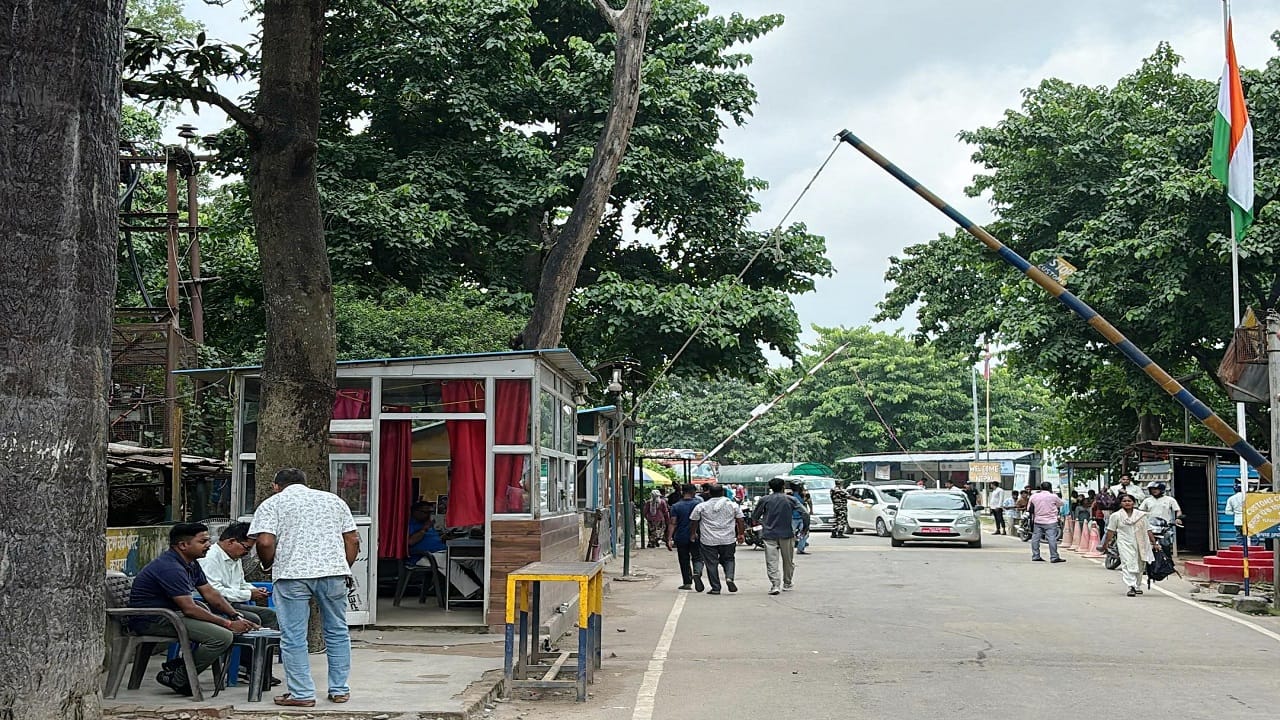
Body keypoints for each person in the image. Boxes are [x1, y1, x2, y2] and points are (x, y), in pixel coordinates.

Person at [251, 468, 361, 708]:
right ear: (305, 482)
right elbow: (352, 539)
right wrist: (343, 566)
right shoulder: (333, 500)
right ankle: (340, 690)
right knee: (337, 631)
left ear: (276, 486)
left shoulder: (273, 503)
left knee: (293, 636)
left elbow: (265, 541)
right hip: (333, 574)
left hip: (292, 575)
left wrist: (268, 563)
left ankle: (302, 694)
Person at [130, 523, 258, 696]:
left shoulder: (191, 563)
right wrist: (227, 624)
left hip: (172, 615)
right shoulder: (170, 567)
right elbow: (189, 608)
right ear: (183, 545)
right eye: (203, 541)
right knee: (221, 637)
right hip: (152, 619)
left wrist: (235, 616)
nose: (209, 545)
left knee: (230, 628)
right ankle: (180, 678)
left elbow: (210, 593)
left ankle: (177, 667)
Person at [198, 521, 278, 629]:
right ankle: (251, 645)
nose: (247, 553)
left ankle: (266, 644)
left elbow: (240, 583)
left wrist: (255, 590)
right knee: (253, 618)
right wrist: (249, 594)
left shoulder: (235, 557)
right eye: (246, 548)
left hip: (232, 603)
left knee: (269, 614)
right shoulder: (209, 558)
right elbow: (215, 592)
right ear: (231, 542)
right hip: (212, 606)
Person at [407, 501, 481, 598]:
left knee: (474, 560)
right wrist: (424, 529)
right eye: (425, 512)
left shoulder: (426, 522)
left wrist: (444, 537)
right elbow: (410, 542)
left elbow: (432, 539)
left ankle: (490, 587)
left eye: (430, 513)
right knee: (446, 561)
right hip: (422, 556)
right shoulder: (411, 524)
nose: (428, 515)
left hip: (441, 550)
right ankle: (473, 593)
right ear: (415, 512)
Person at [752, 477, 808, 594]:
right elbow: (805, 513)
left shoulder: (764, 500)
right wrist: (805, 528)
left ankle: (775, 584)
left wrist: (763, 522)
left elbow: (755, 516)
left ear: (770, 487)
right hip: (786, 533)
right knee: (788, 560)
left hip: (769, 534)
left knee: (771, 561)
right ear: (783, 487)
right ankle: (787, 583)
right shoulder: (790, 499)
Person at [690, 485, 745, 594]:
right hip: (728, 539)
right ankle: (729, 577)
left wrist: (693, 533)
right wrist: (741, 534)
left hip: (708, 540)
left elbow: (694, 521)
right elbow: (740, 520)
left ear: (709, 493)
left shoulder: (702, 506)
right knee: (729, 559)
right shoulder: (732, 505)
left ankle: (716, 588)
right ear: (723, 493)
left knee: (711, 563)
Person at [1102, 494, 1157, 596]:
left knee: (1140, 564)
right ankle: (1131, 586)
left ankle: (1137, 585)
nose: (1127, 503)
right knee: (1128, 563)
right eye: (1124, 501)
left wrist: (1154, 543)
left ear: (1133, 502)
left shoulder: (1141, 515)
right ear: (1121, 503)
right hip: (1124, 543)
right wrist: (1106, 544)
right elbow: (1110, 531)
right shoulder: (1116, 516)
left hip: (1141, 543)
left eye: (1129, 501)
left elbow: (1148, 530)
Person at [667, 484, 705, 592]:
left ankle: (687, 582)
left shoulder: (676, 506)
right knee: (697, 557)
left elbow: (672, 523)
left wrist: (669, 539)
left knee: (684, 560)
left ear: (683, 492)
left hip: (681, 536)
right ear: (693, 492)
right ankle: (697, 572)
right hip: (697, 535)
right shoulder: (699, 505)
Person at [1028, 482, 1065, 563]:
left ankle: (1036, 555)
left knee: (1035, 538)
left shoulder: (1034, 496)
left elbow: (1029, 508)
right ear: (1050, 488)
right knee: (1051, 538)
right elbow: (1061, 503)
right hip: (1051, 521)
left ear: (1041, 488)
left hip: (1038, 520)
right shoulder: (1053, 496)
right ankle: (1054, 556)